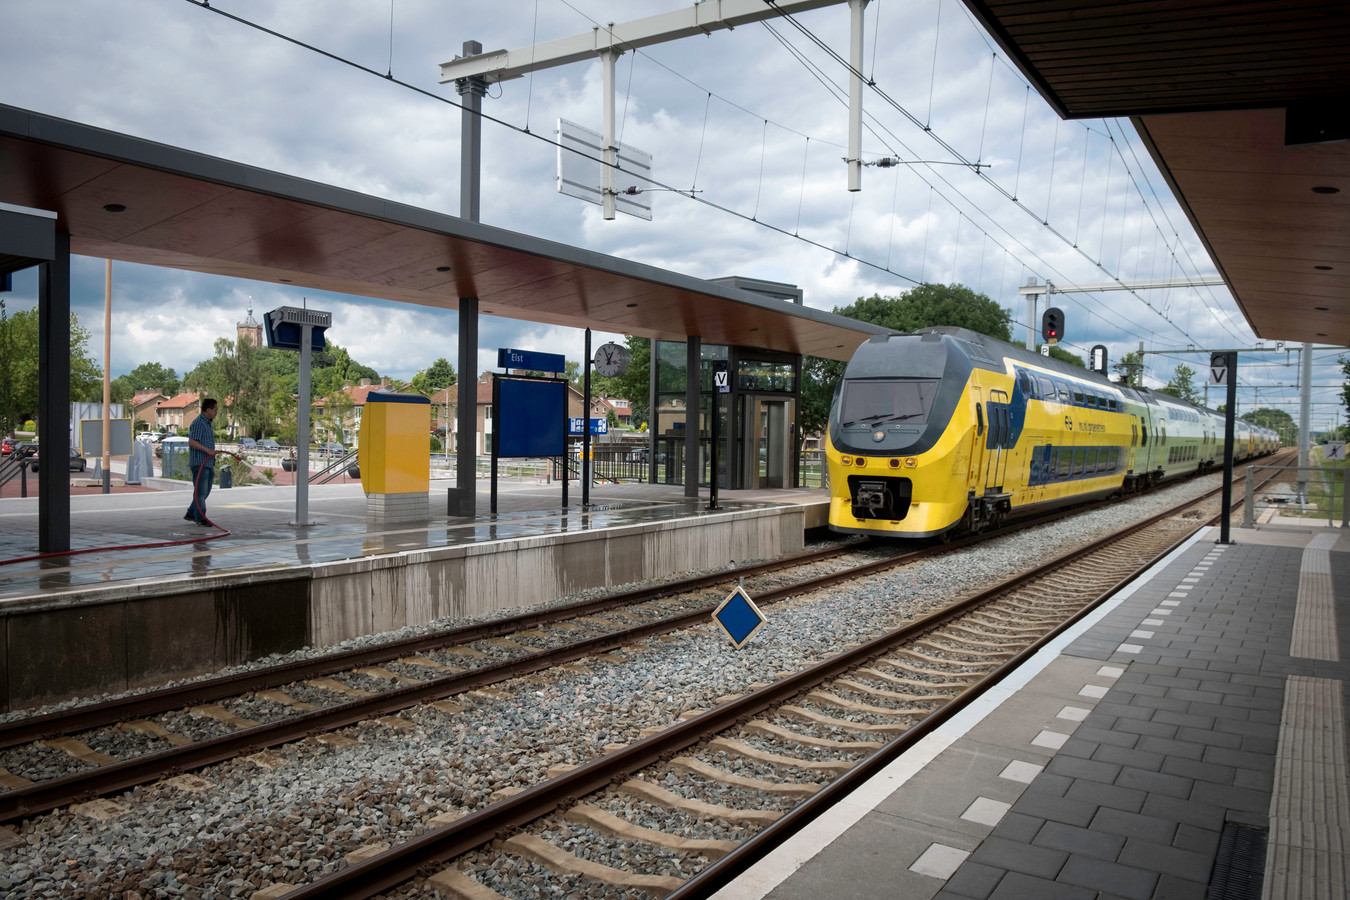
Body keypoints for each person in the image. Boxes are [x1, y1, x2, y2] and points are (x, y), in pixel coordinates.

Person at [185, 398, 219, 526]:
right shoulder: (199, 423)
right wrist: (207, 450)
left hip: (208, 463)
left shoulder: (207, 423)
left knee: (205, 491)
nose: (216, 413)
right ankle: (200, 517)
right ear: (208, 410)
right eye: (215, 410)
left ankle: (191, 513)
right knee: (201, 492)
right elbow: (192, 442)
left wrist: (211, 452)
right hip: (200, 463)